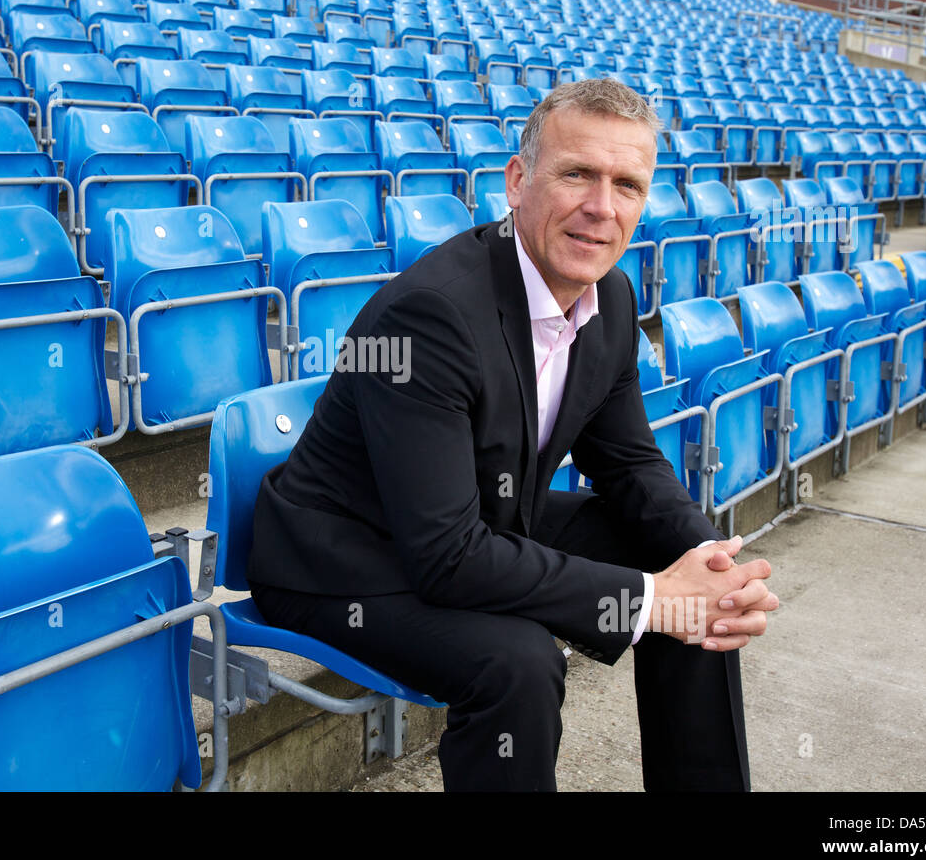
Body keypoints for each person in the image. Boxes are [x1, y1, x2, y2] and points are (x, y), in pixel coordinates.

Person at [247, 78, 778, 792]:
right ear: (519, 181)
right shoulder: (430, 317)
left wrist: (705, 558)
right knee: (520, 661)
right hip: (345, 561)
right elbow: (446, 559)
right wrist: (652, 598)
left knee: (690, 572)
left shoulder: (610, 297)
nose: (602, 207)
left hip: (471, 525)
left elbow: (629, 463)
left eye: (627, 185)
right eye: (578, 175)